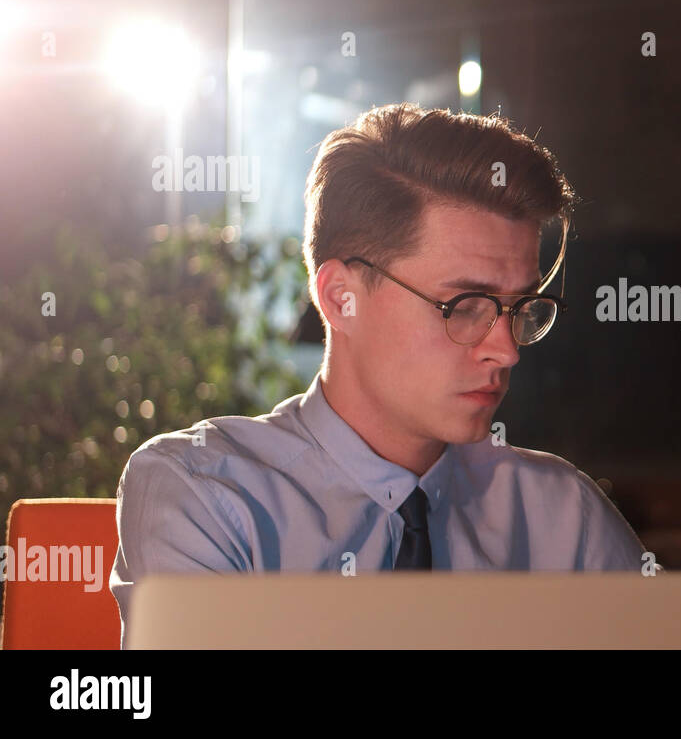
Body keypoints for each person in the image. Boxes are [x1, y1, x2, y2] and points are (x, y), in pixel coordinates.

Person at [109, 103, 648, 646]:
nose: (505, 350)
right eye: (464, 305)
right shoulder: (208, 495)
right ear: (341, 297)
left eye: (521, 308)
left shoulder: (559, 513)